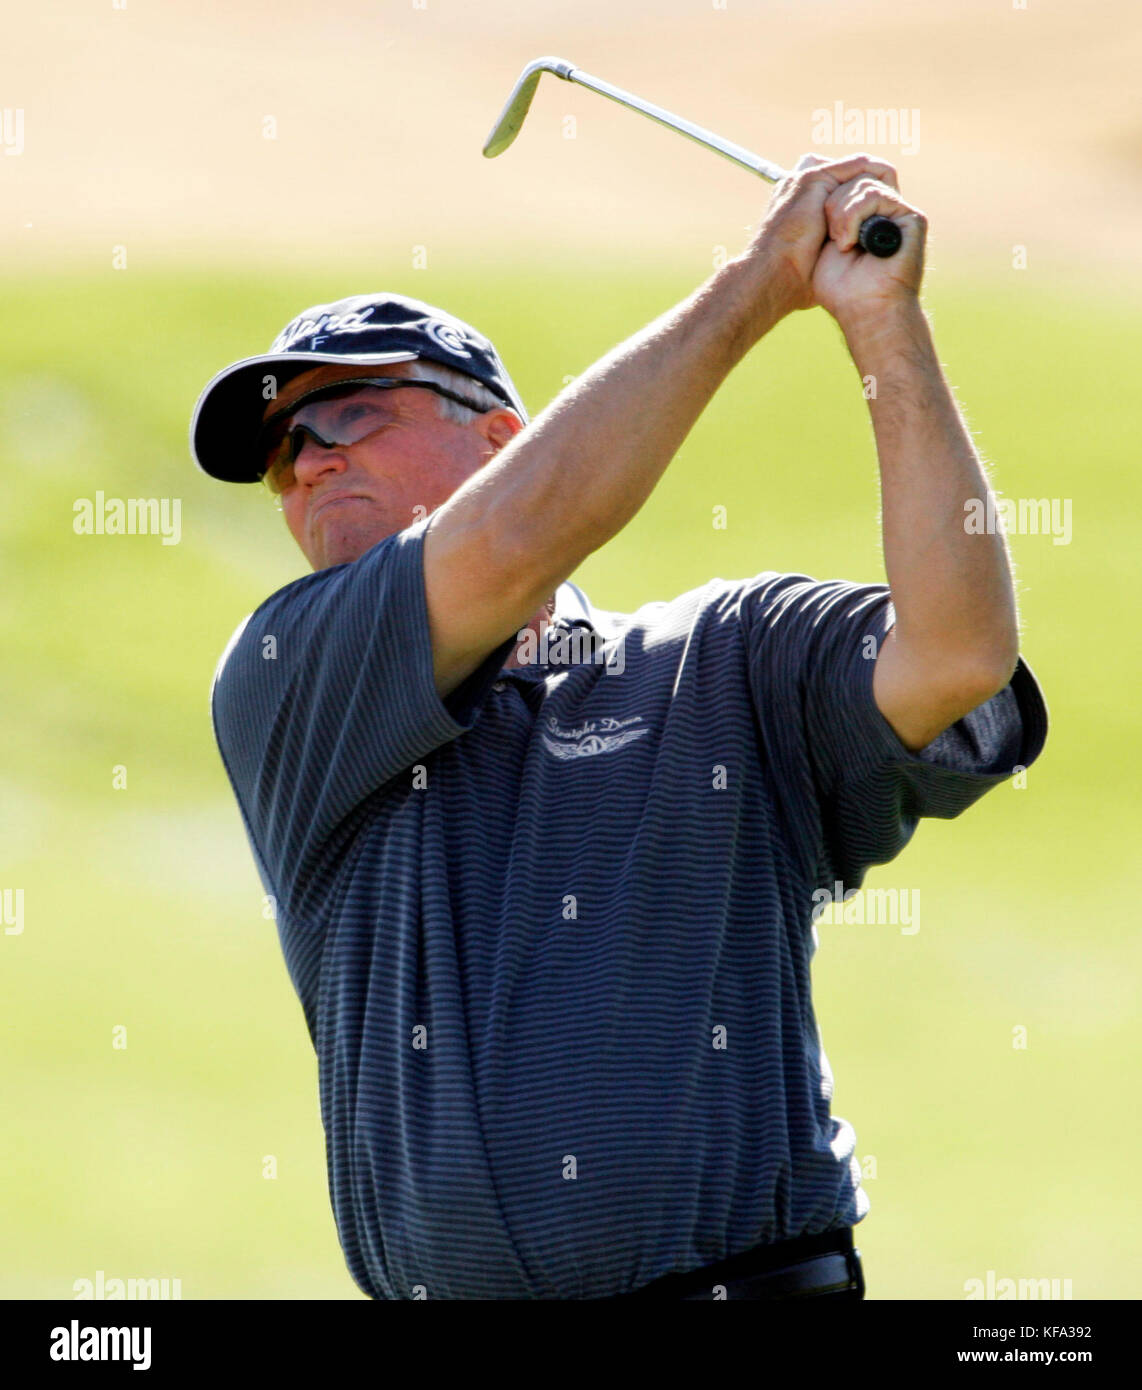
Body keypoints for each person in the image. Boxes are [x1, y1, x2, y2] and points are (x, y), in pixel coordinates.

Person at [190, 154, 1048, 1300]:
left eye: (348, 411)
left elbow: (954, 654)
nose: (309, 460)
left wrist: (882, 331)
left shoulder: (726, 657)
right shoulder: (291, 668)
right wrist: (756, 285)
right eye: (281, 453)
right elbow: (521, 539)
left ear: (499, 439)